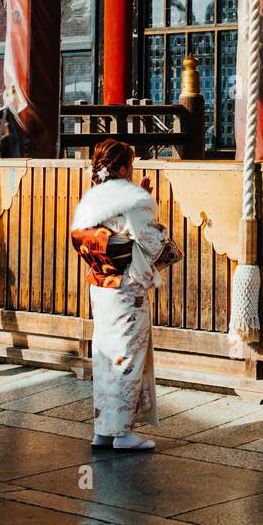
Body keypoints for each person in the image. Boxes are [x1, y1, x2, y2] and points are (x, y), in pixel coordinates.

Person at [71, 139, 169, 452]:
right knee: (127, 355)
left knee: (104, 355)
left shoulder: (91, 198)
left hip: (100, 284)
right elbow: (153, 242)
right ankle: (123, 432)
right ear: (125, 167)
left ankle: (102, 429)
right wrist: (146, 204)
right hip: (126, 285)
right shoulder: (132, 200)